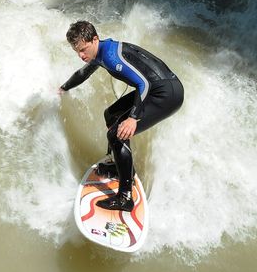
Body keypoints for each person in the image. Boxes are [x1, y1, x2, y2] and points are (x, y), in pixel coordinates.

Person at [58, 21, 184, 211]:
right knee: (111, 114)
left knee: (116, 134)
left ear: (95, 39)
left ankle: (125, 198)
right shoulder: (100, 52)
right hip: (159, 88)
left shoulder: (110, 56)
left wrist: (133, 117)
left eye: (83, 49)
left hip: (166, 94)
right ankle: (120, 167)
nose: (81, 55)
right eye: (78, 52)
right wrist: (63, 88)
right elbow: (83, 73)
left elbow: (144, 84)